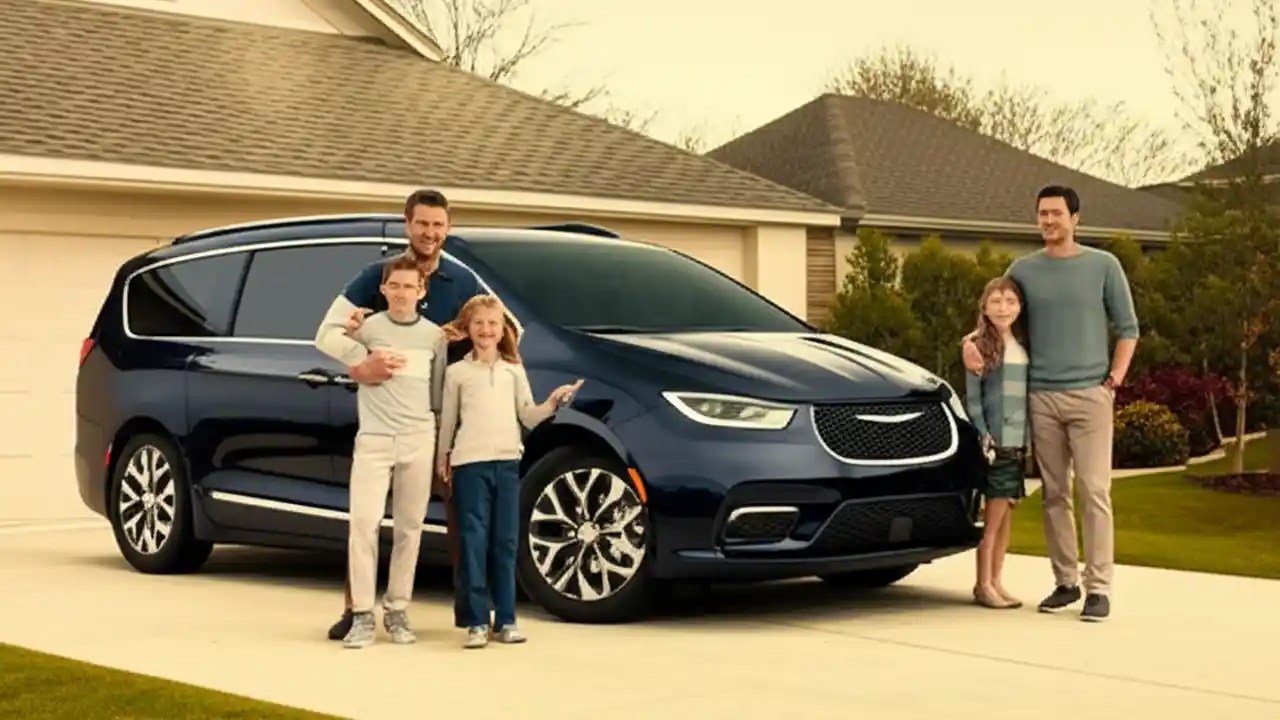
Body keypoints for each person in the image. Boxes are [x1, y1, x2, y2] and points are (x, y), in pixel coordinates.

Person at [962, 185, 1139, 622]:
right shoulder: (1024, 269)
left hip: (1091, 396)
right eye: (1042, 214)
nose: (1048, 221)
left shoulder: (1104, 266)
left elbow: (1129, 328)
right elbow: (997, 309)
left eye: (1056, 213)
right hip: (1039, 397)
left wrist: (1114, 380)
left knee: (1094, 492)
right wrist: (971, 341)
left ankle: (1099, 588)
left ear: (1075, 218)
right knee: (1054, 494)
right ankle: (1066, 582)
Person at [321, 188, 487, 641]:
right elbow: (330, 330)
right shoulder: (375, 275)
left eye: (438, 225)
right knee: (366, 522)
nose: (429, 233)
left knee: (451, 518)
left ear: (447, 228)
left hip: (440, 416)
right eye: (422, 224)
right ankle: (357, 612)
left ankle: (470, 613)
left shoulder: (463, 281)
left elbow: (490, 332)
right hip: (380, 418)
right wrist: (360, 364)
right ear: (407, 224)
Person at [314, 254, 449, 648]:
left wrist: (440, 450)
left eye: (410, 286)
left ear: (421, 291)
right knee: (364, 525)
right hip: (375, 439)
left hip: (418, 439)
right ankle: (361, 615)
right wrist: (361, 356)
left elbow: (438, 397)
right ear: (384, 289)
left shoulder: (434, 337)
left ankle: (397, 609)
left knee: (409, 528)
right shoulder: (368, 329)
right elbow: (325, 338)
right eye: (395, 286)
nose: (402, 293)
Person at [436, 295, 583, 648]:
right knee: (473, 541)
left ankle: (506, 619)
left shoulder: (513, 370)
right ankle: (476, 621)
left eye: (492, 324)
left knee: (505, 542)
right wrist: (443, 458)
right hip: (470, 463)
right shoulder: (457, 373)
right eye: (479, 324)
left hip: (506, 463)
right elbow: (448, 420)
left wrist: (552, 403)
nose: (486, 330)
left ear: (503, 330)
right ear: (468, 329)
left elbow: (527, 415)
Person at [964, 276, 1030, 610]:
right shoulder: (977, 346)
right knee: (991, 522)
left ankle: (997, 580)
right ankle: (983, 584)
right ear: (984, 307)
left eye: (1010, 301)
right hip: (997, 444)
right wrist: (984, 435)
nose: (1003, 308)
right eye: (996, 301)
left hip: (1018, 443)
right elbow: (974, 402)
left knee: (1005, 520)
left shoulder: (1021, 344)